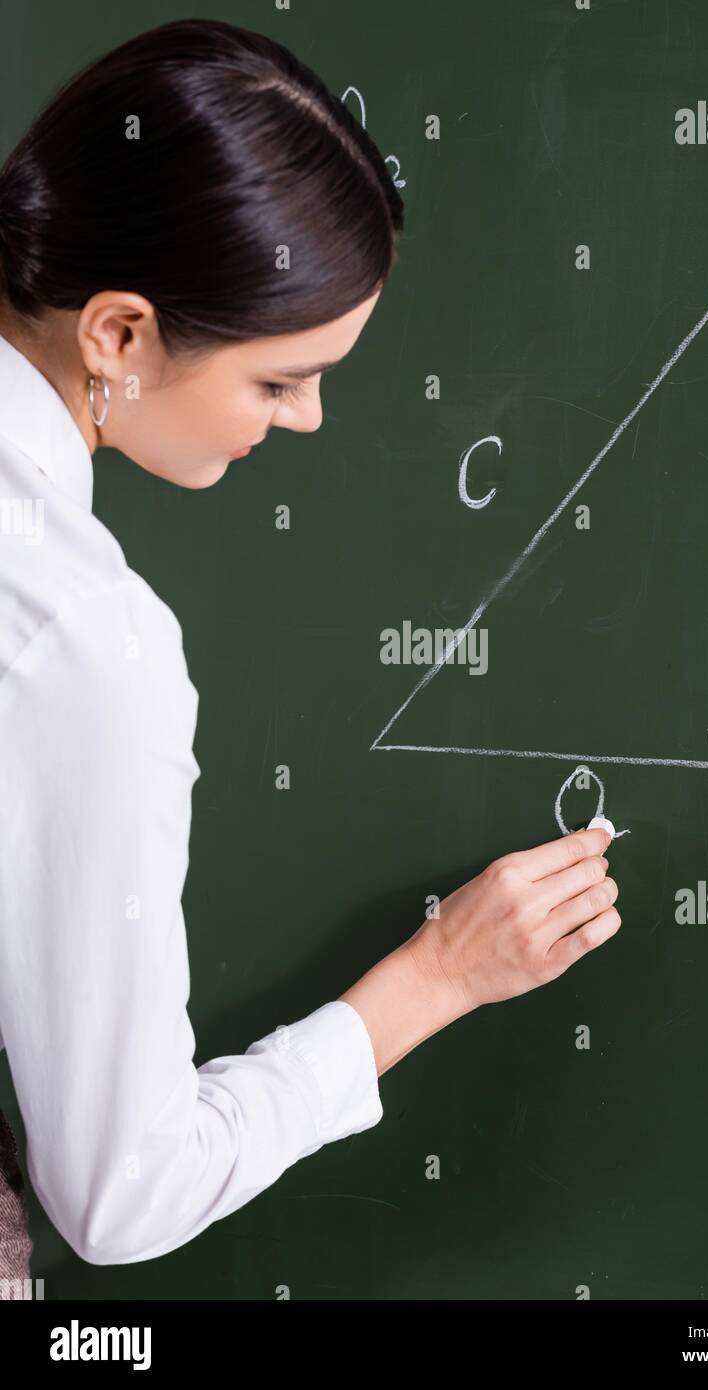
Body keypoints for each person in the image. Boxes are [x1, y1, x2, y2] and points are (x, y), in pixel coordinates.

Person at [0, 17, 621, 1274]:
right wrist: (438, 976)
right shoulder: (75, 639)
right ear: (118, 333)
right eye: (280, 382)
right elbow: (125, 1195)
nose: (310, 418)